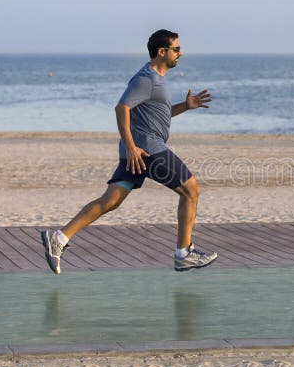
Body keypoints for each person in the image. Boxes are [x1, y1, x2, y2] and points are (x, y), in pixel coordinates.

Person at [40, 29, 216, 274]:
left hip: (138, 152)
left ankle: (59, 238)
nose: (181, 53)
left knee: (110, 201)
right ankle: (183, 253)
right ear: (161, 52)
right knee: (191, 190)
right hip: (147, 150)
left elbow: (159, 115)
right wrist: (132, 147)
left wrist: (186, 106)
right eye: (176, 49)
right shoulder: (146, 79)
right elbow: (121, 108)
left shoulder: (156, 80)